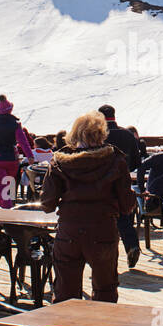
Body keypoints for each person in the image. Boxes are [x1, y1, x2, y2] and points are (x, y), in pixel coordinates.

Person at [40, 111, 134, 303]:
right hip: (103, 230)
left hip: (69, 231)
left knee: (65, 293)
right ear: (101, 133)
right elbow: (126, 205)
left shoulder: (59, 162)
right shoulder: (115, 160)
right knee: (105, 290)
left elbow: (47, 204)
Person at [99, 104, 141, 265]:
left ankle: (103, 252)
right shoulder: (127, 134)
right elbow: (137, 162)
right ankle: (132, 244)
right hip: (123, 181)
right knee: (123, 214)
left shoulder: (97, 135)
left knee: (101, 216)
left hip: (101, 182)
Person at [0, 96, 35, 209]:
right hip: (13, 160)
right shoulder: (15, 124)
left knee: (2, 189)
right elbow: (23, 142)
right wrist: (30, 156)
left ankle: (7, 217)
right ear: (10, 109)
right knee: (7, 188)